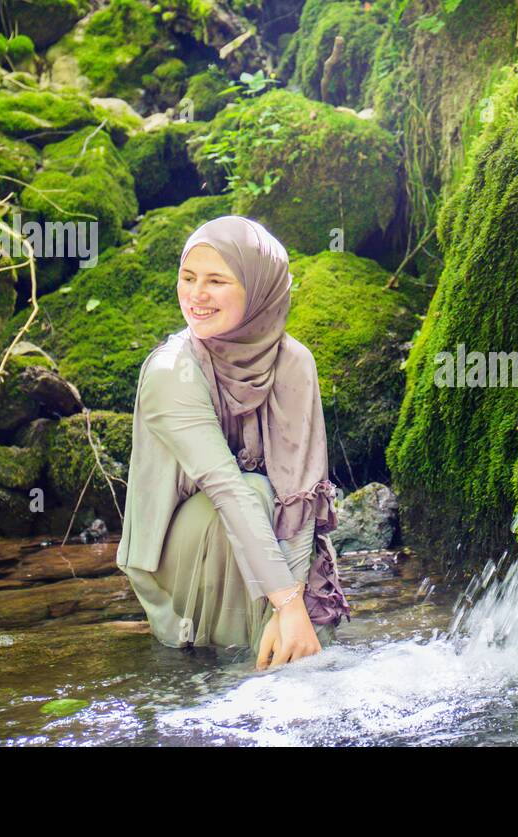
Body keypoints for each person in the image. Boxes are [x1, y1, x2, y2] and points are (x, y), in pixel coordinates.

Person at [115, 215, 351, 670]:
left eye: (216, 281)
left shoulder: (294, 362)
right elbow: (226, 488)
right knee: (252, 491)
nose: (196, 295)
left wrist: (295, 600)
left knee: (272, 504)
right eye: (188, 278)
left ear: (259, 290)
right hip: (180, 551)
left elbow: (301, 499)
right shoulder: (172, 371)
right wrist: (286, 606)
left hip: (263, 536)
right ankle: (235, 670)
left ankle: (278, 656)